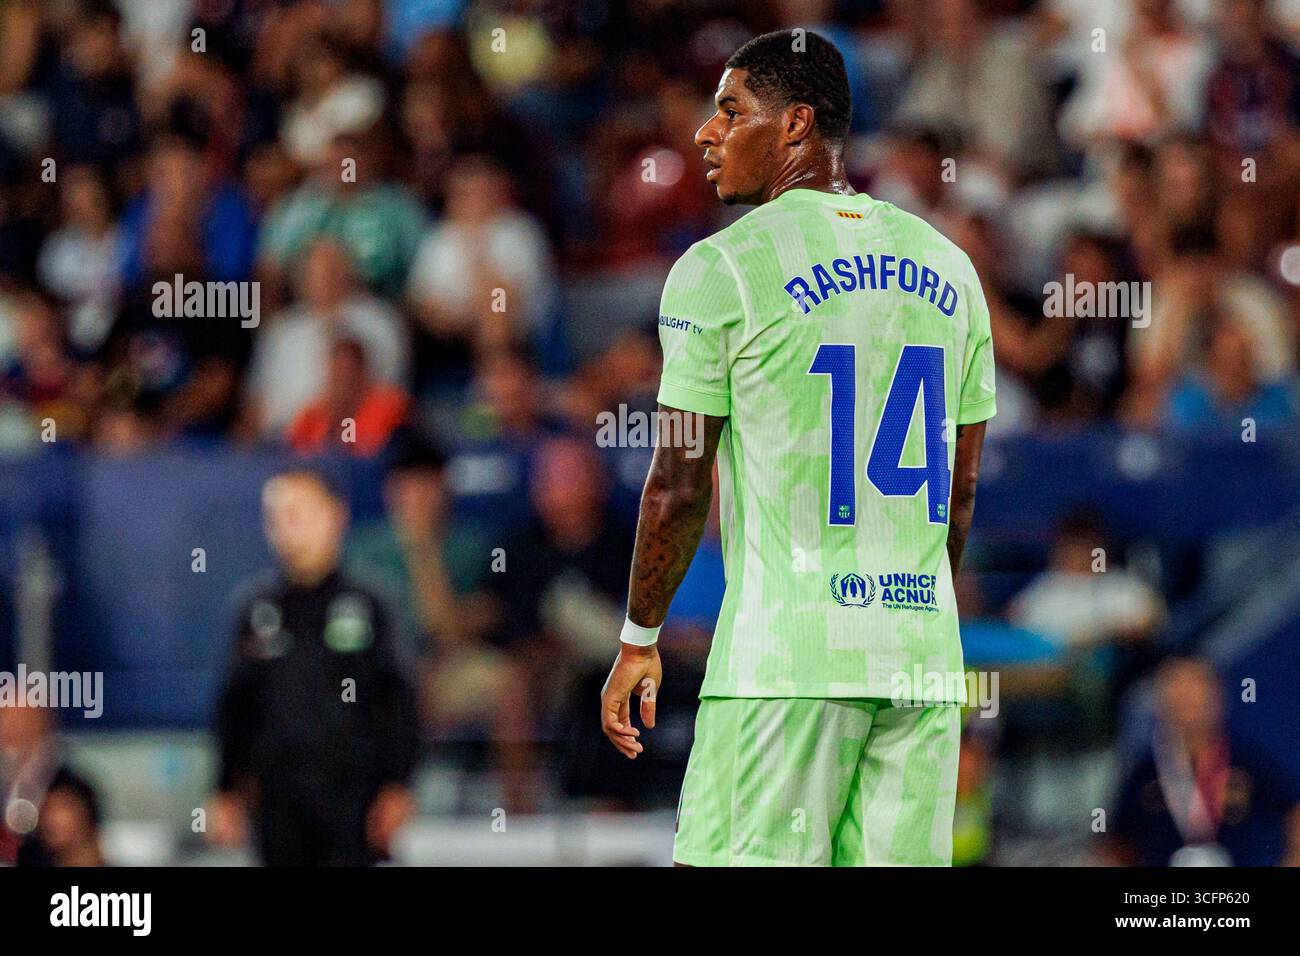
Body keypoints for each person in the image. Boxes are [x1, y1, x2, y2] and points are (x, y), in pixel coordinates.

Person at [599, 31, 996, 867]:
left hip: (785, 663)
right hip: (920, 662)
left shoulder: (721, 270)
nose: (706, 132)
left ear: (795, 126)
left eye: (731, 110)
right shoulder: (952, 269)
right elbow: (958, 496)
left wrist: (639, 638)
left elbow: (677, 481)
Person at [209, 468, 420, 866]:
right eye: (275, 517)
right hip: (278, 797)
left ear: (336, 516)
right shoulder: (256, 609)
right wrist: (224, 791)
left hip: (354, 795)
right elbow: (235, 707)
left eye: (299, 513)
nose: (286, 528)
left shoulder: (371, 604)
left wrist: (398, 786)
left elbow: (398, 699)